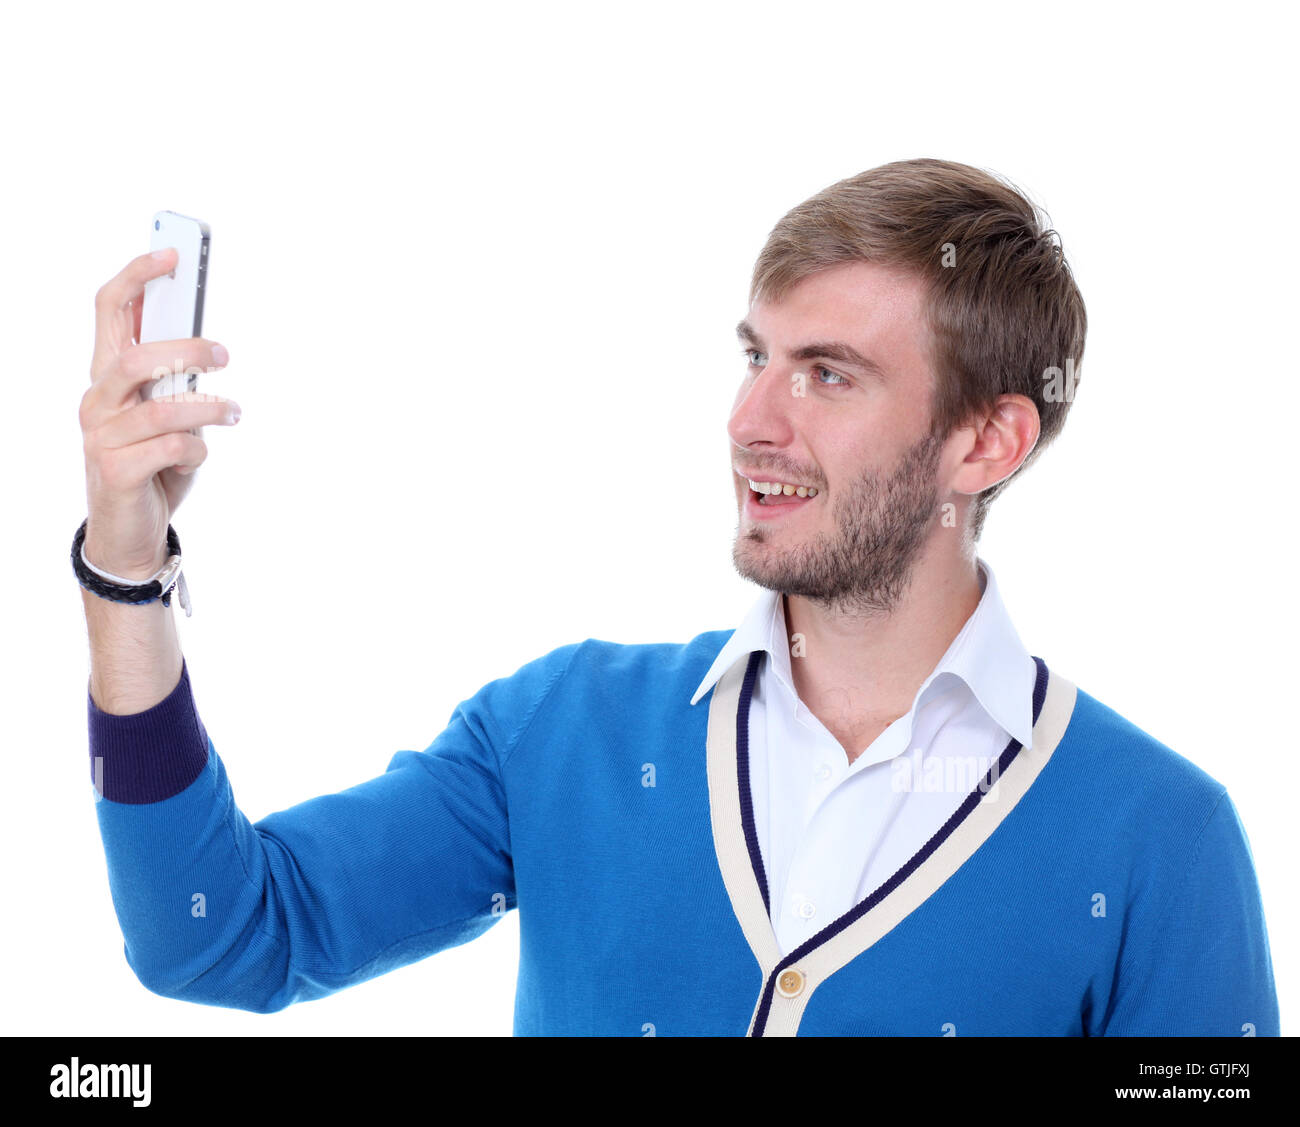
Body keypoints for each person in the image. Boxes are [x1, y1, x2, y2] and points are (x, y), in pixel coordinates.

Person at [77, 158, 1280, 1036]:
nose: (750, 422)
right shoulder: (561, 733)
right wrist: (127, 567)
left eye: (827, 373)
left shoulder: (1158, 841)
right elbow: (216, 933)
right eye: (755, 356)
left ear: (985, 443)